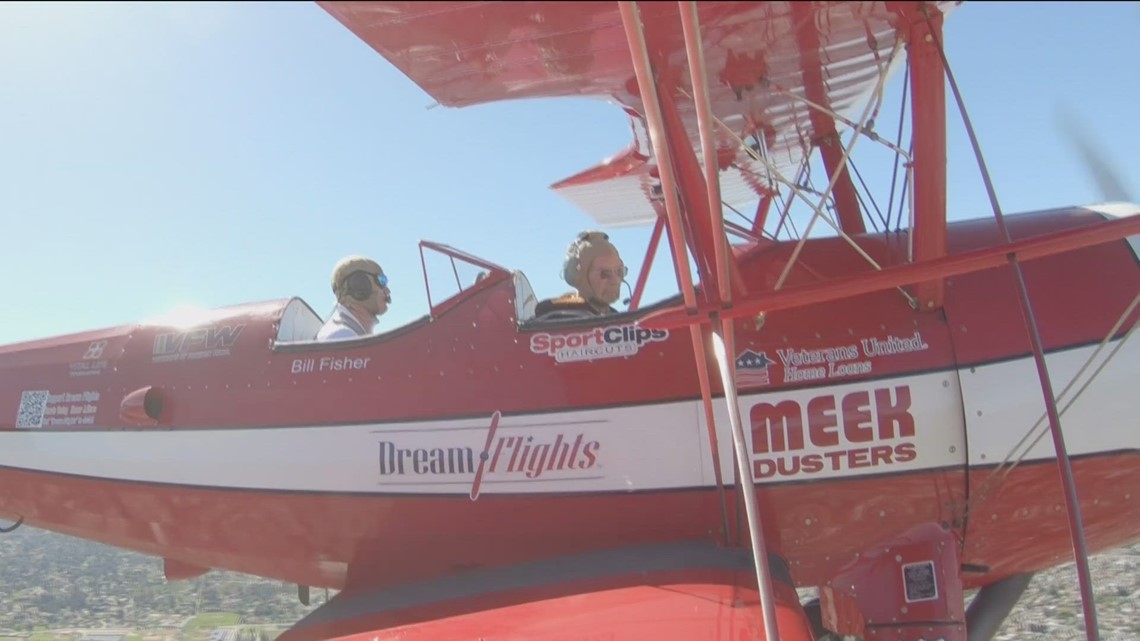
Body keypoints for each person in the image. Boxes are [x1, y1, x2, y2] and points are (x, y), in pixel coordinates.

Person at [534, 230, 628, 321]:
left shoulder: (620, 323)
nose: (616, 280)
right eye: (605, 273)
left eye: (620, 272)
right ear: (577, 276)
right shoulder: (553, 319)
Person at [316, 255, 392, 341]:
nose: (388, 291)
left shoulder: (351, 334)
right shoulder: (340, 336)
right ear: (359, 285)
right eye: (382, 281)